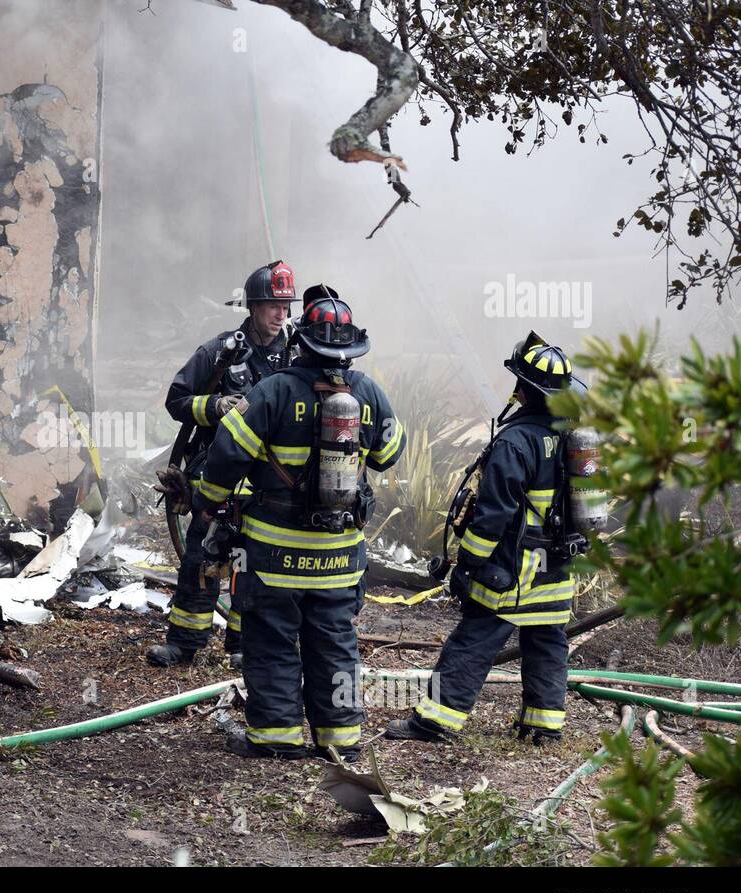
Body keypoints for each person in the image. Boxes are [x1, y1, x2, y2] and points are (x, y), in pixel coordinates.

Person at [195, 286, 405, 760]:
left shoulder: (272, 391)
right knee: (335, 644)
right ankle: (341, 742)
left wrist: (207, 502)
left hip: (274, 556)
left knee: (270, 641)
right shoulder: (368, 392)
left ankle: (276, 738)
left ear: (302, 340)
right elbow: (390, 453)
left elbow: (226, 456)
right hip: (340, 558)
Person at [385, 332, 582, 746]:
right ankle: (543, 726)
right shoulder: (573, 439)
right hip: (558, 569)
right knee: (546, 640)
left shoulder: (515, 441)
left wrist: (469, 565)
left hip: (513, 571)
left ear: (524, 389)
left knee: (474, 638)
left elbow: (492, 516)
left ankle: (433, 722)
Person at [147, 261, 296, 668]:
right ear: (252, 306)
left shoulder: (299, 354)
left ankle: (244, 648)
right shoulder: (222, 351)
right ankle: (184, 644)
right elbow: (177, 400)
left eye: (285, 306)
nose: (280, 314)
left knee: (257, 567)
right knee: (202, 560)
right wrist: (215, 406)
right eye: (272, 305)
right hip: (219, 478)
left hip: (272, 483)